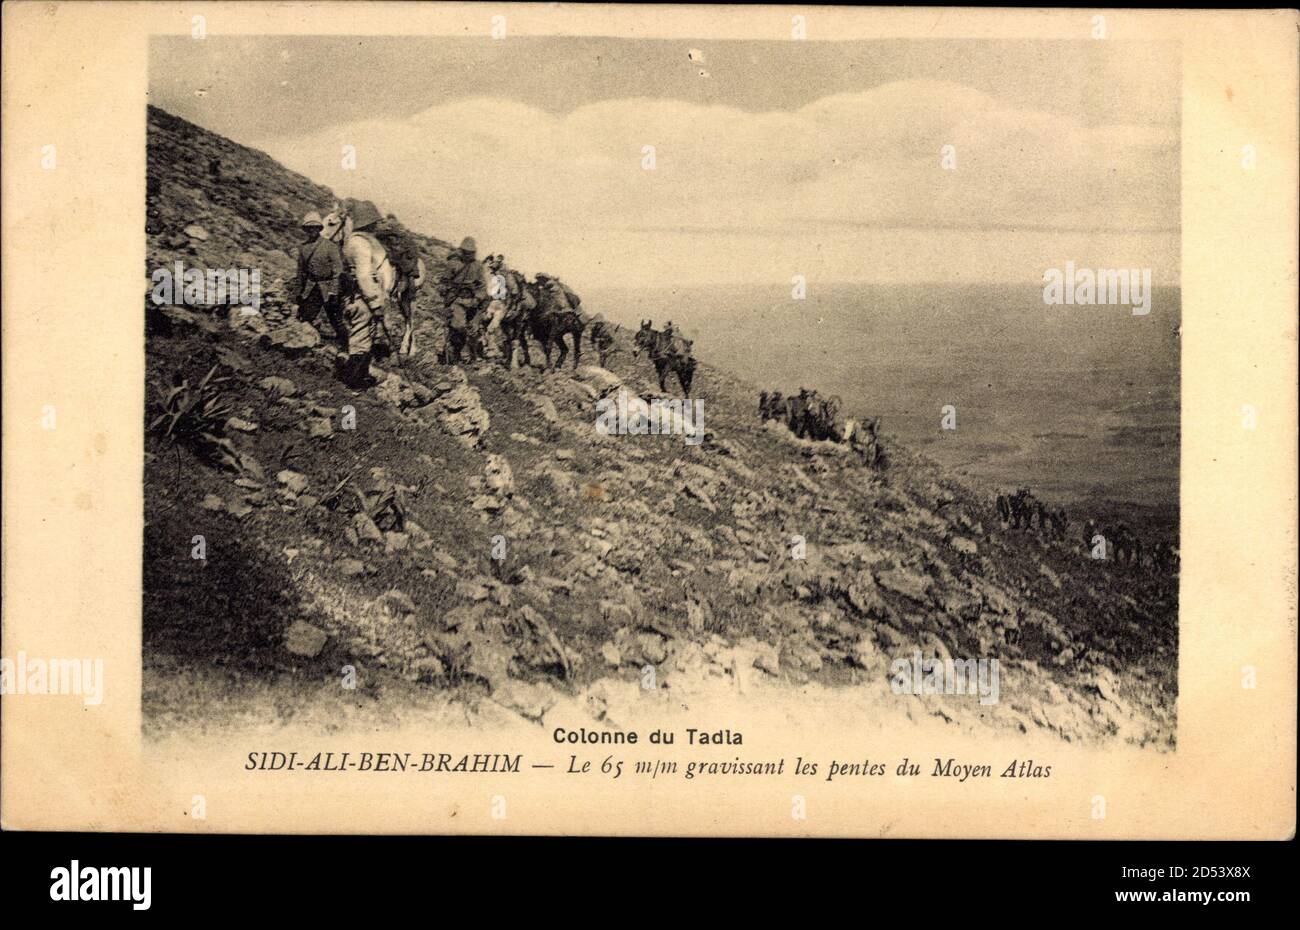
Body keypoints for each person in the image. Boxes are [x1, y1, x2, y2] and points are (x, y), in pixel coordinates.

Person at [338, 201, 391, 389]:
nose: (377, 225)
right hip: (362, 299)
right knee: (361, 339)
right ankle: (354, 382)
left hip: (354, 296)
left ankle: (358, 376)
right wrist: (375, 303)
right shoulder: (361, 244)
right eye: (375, 222)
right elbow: (363, 275)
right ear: (369, 222)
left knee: (360, 336)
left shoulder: (352, 241)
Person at [294, 211, 345, 349]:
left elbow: (338, 271)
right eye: (309, 228)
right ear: (306, 230)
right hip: (312, 287)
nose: (312, 230)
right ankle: (307, 344)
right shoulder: (303, 248)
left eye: (315, 227)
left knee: (336, 319)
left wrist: (334, 292)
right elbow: (300, 272)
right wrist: (298, 293)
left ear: (319, 229)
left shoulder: (330, 246)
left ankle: (345, 346)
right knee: (306, 317)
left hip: (328, 287)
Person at [440, 236, 488, 363]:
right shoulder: (453, 264)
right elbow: (444, 281)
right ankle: (457, 351)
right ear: (461, 251)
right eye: (466, 252)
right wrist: (445, 290)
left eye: (471, 253)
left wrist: (478, 298)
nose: (468, 255)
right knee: (459, 326)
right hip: (457, 300)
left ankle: (469, 354)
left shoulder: (478, 266)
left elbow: (482, 286)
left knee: (473, 329)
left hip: (473, 301)